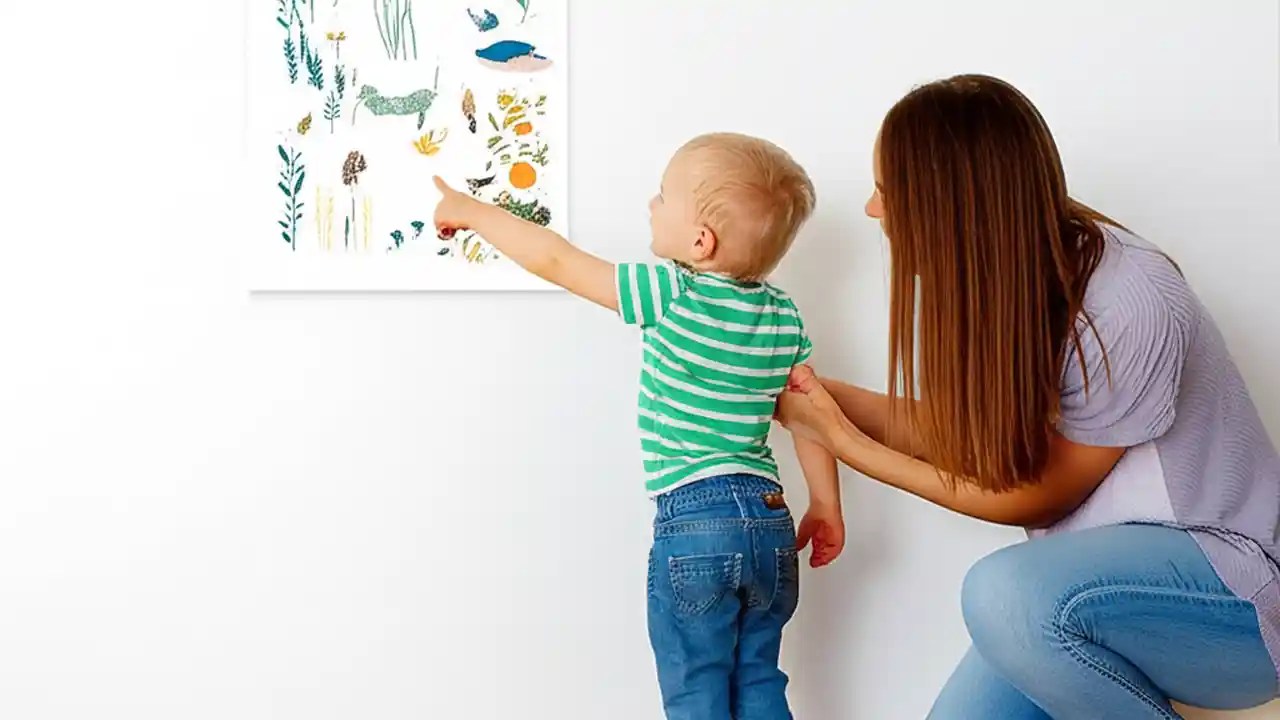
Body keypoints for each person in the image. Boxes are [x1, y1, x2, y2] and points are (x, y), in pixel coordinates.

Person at [773, 74, 1280, 719]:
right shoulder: (1007, 288)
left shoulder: (1128, 298)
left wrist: (843, 441)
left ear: (949, 201)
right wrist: (820, 396)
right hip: (1083, 600)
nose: (874, 210)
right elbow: (973, 440)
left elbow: (1040, 494)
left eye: (886, 190)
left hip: (1236, 598)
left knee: (999, 592)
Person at [431, 132, 846, 719]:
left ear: (700, 242)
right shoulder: (783, 316)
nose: (651, 205)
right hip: (770, 521)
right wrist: (825, 504)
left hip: (696, 520)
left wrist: (472, 211)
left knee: (696, 689)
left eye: (663, 196)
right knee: (758, 678)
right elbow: (812, 417)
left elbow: (557, 260)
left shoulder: (670, 291)